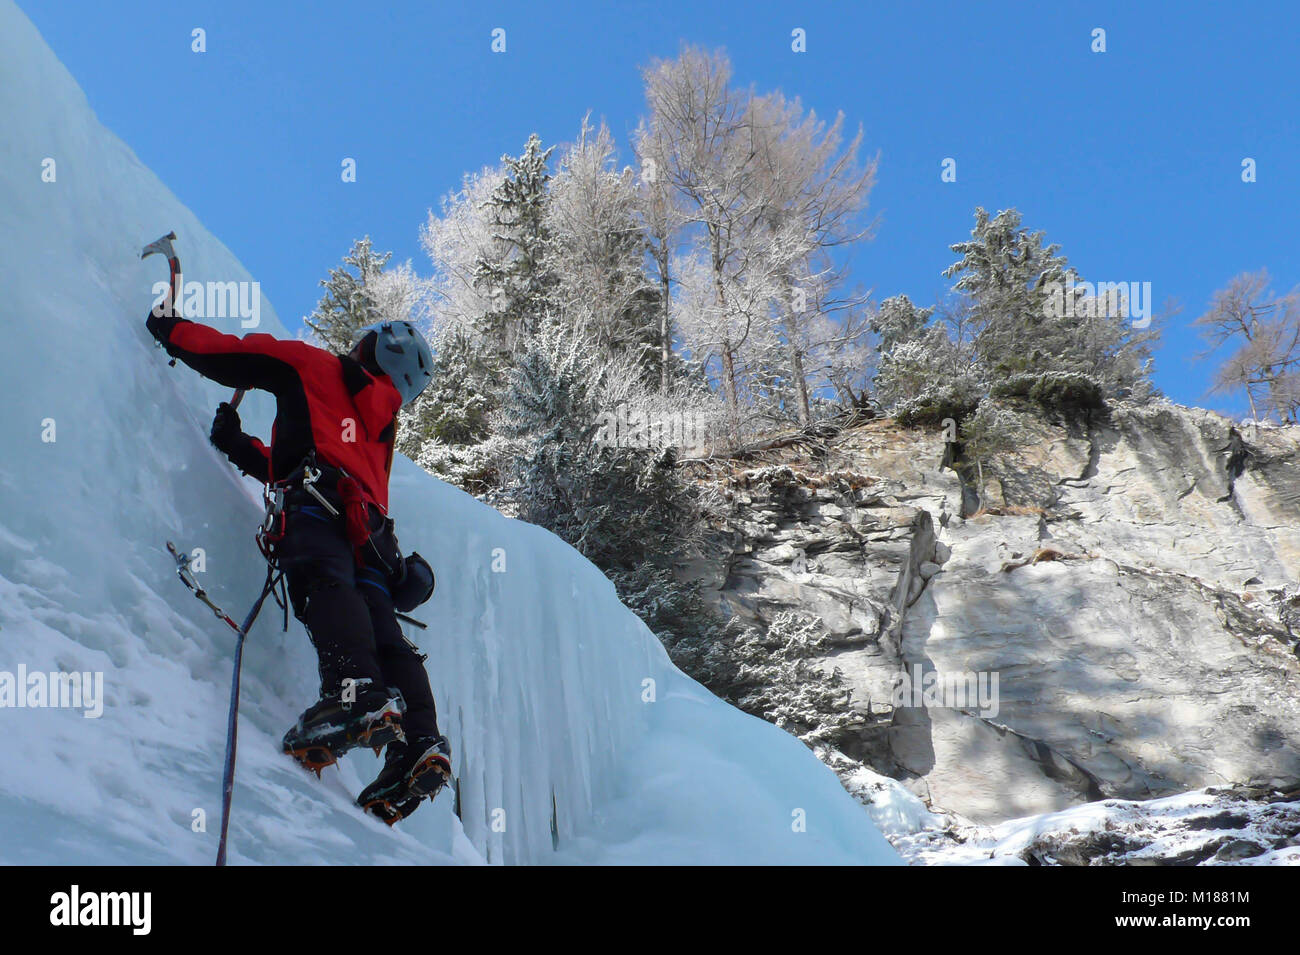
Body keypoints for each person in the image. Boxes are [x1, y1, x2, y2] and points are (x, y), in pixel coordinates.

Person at [146, 306, 450, 822]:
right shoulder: (381, 427)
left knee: (324, 582)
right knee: (385, 633)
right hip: (373, 538)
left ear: (369, 348)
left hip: (318, 510)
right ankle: (420, 742)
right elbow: (303, 453)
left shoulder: (314, 366)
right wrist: (237, 444)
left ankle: (354, 696)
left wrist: (169, 329)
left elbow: (234, 357)